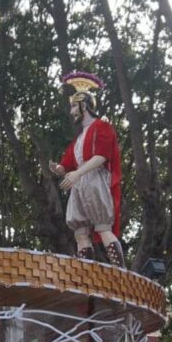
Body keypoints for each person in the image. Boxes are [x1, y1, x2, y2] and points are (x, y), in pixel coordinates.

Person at [49, 71, 125, 267]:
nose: (72, 111)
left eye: (74, 106)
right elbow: (67, 164)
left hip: (93, 179)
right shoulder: (79, 139)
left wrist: (77, 173)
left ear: (85, 105)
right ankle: (86, 272)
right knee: (80, 230)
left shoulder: (102, 127)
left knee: (102, 225)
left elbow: (101, 156)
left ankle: (119, 269)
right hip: (79, 182)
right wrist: (59, 169)